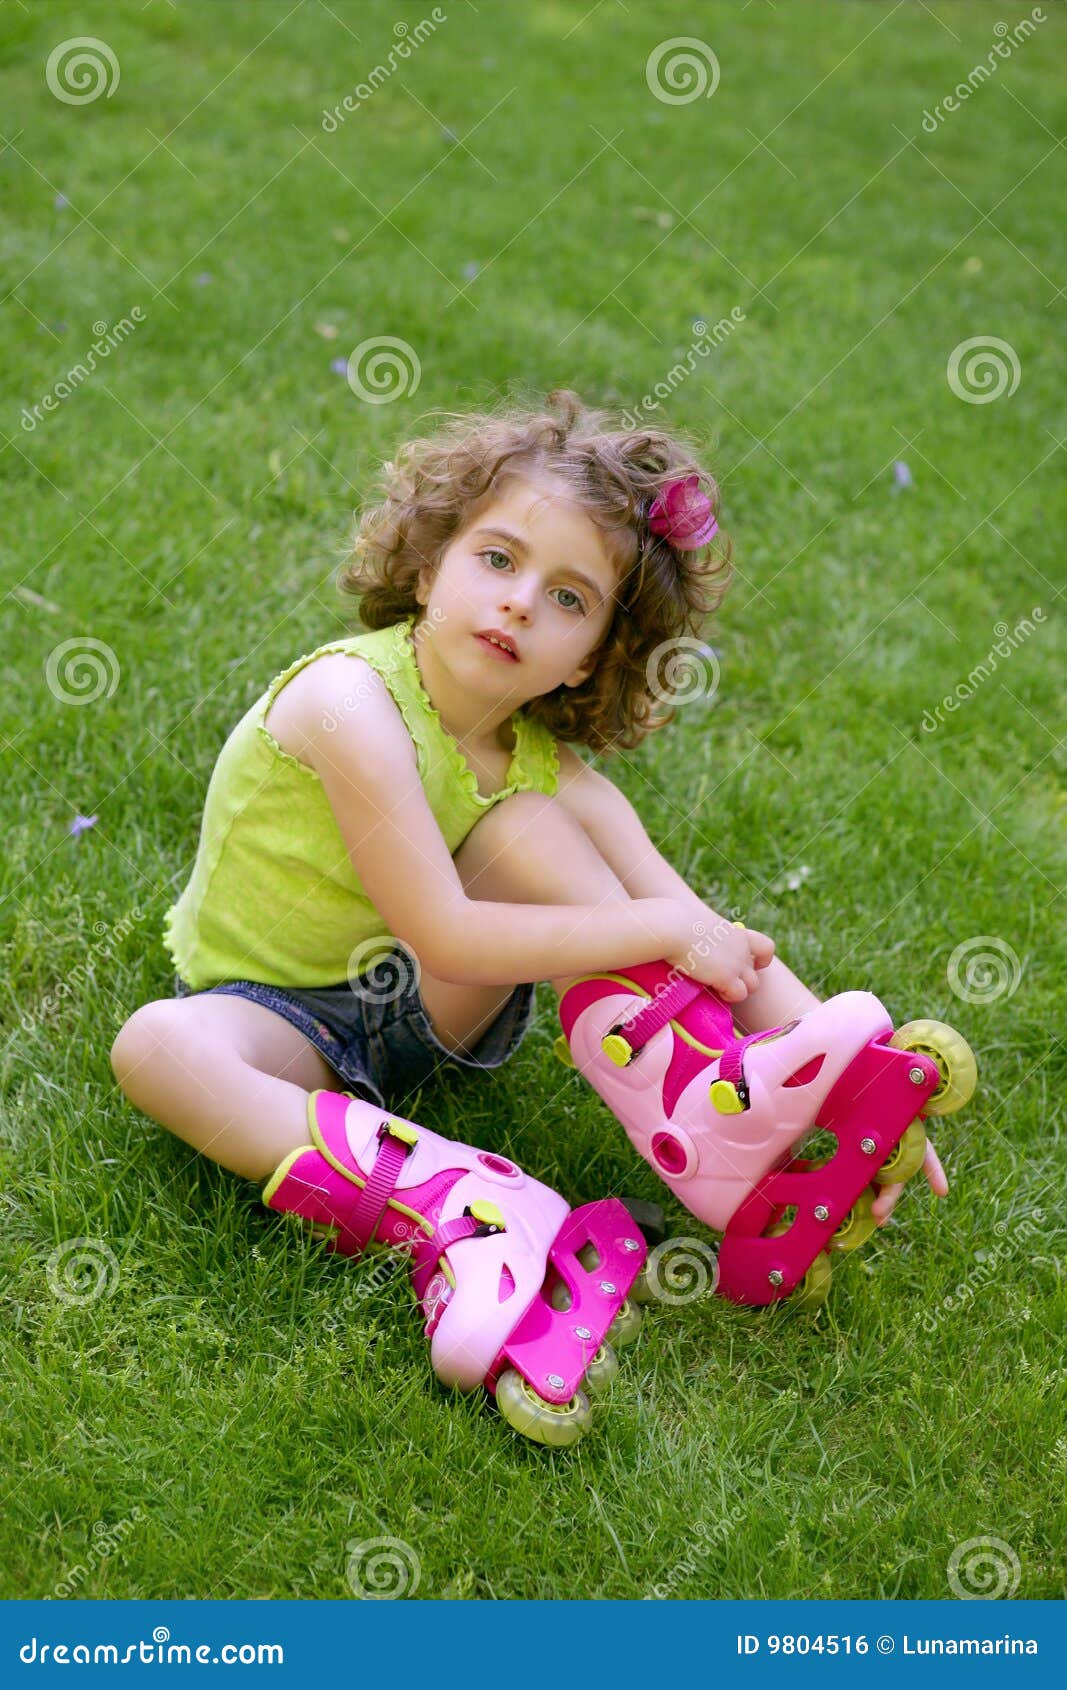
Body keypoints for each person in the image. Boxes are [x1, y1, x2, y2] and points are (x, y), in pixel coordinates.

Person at [110, 389, 945, 1229]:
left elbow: (706, 931)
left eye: (569, 600)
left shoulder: (548, 770)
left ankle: (705, 1104)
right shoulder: (348, 702)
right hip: (271, 1020)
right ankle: (437, 1193)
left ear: (589, 660)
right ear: (432, 565)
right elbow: (449, 934)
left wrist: (866, 1092)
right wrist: (656, 928)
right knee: (156, 1046)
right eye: (499, 560)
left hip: (421, 1016)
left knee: (528, 831)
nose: (520, 602)